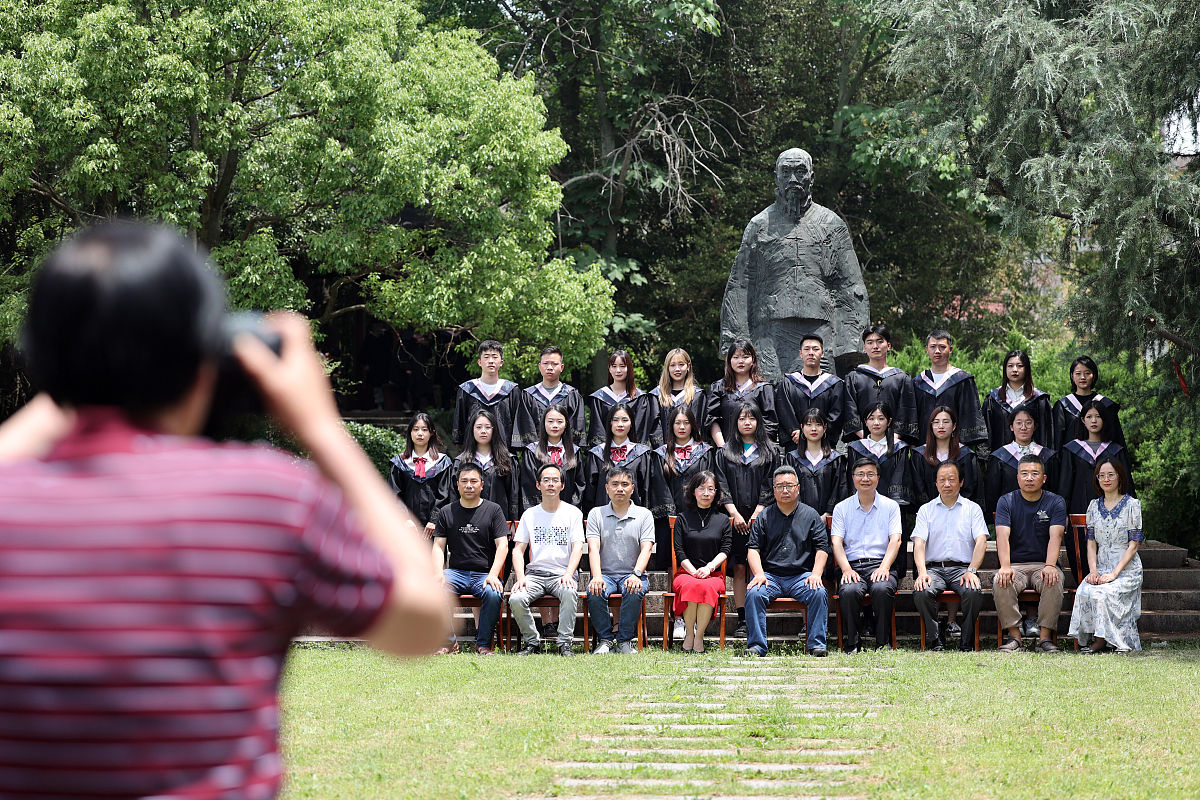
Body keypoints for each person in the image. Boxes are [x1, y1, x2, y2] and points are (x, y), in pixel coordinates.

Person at [0, 221, 447, 799]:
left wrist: (81, 382)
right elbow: (422, 623)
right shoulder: (265, 498)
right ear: (202, 362)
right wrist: (322, 429)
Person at [719, 147, 870, 380]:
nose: (793, 179)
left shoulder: (832, 224)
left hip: (821, 335)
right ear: (776, 177)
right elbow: (740, 286)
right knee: (769, 401)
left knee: (821, 404)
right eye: (786, 171)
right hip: (768, 334)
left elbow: (850, 287)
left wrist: (850, 346)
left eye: (800, 171)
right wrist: (736, 344)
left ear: (812, 176)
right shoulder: (759, 226)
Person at [744, 465, 831, 657]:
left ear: (798, 488)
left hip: (801, 577)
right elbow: (753, 549)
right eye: (780, 486)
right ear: (773, 489)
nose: (785, 490)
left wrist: (816, 574)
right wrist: (758, 574)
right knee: (754, 593)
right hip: (771, 577)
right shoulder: (764, 516)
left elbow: (822, 549)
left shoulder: (811, 515)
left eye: (789, 485)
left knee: (818, 591)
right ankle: (757, 646)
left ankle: (816, 644)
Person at [714, 401, 781, 637]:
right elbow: (721, 484)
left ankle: (758, 617)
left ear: (758, 422)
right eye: (742, 418)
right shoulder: (725, 453)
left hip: (763, 517)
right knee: (740, 566)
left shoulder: (770, 452)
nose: (747, 422)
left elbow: (770, 483)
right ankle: (743, 619)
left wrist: (757, 512)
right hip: (733, 519)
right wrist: (734, 513)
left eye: (751, 418)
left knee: (759, 566)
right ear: (735, 422)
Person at [509, 463, 586, 656]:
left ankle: (564, 643)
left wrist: (569, 573)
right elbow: (518, 550)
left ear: (562, 485)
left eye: (555, 480)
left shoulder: (573, 513)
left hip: (562, 574)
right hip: (534, 574)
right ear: (538, 485)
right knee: (516, 598)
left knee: (569, 593)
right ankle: (532, 642)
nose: (550, 484)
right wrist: (520, 577)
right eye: (546, 480)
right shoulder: (530, 514)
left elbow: (578, 547)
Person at [910, 461, 988, 651]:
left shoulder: (972, 509)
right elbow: (919, 543)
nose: (947, 484)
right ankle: (936, 638)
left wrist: (972, 570)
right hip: (934, 569)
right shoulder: (926, 510)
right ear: (936, 483)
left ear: (961, 482)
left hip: (963, 569)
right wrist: (922, 572)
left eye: (952, 479)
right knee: (922, 591)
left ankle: (966, 641)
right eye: (942, 480)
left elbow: (981, 541)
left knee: (973, 592)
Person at [433, 463, 510, 654]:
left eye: (474, 481)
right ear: (457, 485)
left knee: (493, 593)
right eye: (464, 481)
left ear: (482, 485)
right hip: (455, 572)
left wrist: (493, 574)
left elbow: (503, 545)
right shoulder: (446, 512)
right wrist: (438, 573)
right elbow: (438, 546)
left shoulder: (493, 510)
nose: (469, 485)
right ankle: (449, 643)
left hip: (483, 574)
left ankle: (483, 644)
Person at [1068, 458, 1144, 652]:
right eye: (1101, 475)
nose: (1106, 479)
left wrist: (1114, 574)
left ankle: (1111, 640)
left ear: (1119, 477)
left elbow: (1134, 545)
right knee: (1085, 591)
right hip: (1101, 566)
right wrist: (1093, 571)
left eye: (1111, 475)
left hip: (1126, 569)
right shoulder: (1094, 506)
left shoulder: (1132, 505)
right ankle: (1099, 638)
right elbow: (1091, 542)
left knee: (1105, 593)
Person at [994, 455, 1067, 653]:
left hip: (1043, 564)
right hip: (1015, 565)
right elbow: (1002, 536)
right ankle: (1015, 638)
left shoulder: (1055, 501)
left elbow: (1056, 536)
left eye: (1035, 474)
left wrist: (1051, 565)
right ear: (1017, 477)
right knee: (1001, 580)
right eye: (1024, 474)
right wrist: (1006, 566)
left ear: (1043, 478)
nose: (1029, 478)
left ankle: (1045, 639)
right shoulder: (1006, 501)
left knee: (1053, 579)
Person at [1058, 399, 1135, 580]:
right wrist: (1063, 512)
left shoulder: (1116, 450)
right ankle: (1084, 590)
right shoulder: (1072, 449)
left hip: (1112, 510)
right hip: (1079, 509)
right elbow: (1065, 483)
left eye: (1098, 416)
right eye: (1089, 417)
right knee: (1082, 556)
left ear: (1105, 420)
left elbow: (1126, 482)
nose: (1094, 421)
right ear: (1083, 420)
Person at [830, 459, 902, 652]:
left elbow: (895, 540)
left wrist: (884, 567)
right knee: (849, 591)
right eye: (860, 474)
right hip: (851, 564)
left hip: (880, 563)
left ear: (878, 478)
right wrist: (846, 569)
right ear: (853, 478)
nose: (865, 479)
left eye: (870, 474)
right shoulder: (841, 508)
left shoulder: (891, 506)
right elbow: (836, 542)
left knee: (882, 588)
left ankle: (882, 642)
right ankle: (853, 643)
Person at [586, 467, 656, 654]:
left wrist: (636, 574)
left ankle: (625, 640)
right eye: (615, 484)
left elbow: (647, 548)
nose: (620, 489)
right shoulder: (596, 514)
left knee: (635, 588)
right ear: (607, 488)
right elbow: (593, 548)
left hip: (633, 574)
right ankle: (606, 640)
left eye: (625, 484)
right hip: (606, 575)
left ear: (632, 488)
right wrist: (597, 576)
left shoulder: (644, 515)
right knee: (594, 590)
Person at [671, 471, 732, 653]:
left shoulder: (722, 520)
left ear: (716, 493)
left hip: (712, 573)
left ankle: (699, 638)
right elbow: (679, 551)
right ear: (693, 491)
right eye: (702, 488)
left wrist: (709, 567)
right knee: (691, 585)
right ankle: (689, 633)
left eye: (711, 489)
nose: (706, 493)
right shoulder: (682, 518)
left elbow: (726, 550)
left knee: (706, 587)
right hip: (686, 573)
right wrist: (692, 571)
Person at [654, 406, 717, 572]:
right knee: (671, 557)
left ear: (693, 426)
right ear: (671, 426)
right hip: (671, 516)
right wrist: (671, 513)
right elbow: (660, 485)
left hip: (697, 513)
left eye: (686, 423)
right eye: (677, 423)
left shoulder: (705, 452)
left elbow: (709, 482)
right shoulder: (661, 454)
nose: (682, 427)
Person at [582, 403, 672, 519]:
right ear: (610, 423)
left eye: (625, 420)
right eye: (615, 420)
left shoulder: (642, 454)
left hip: (635, 519)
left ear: (631, 424)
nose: (620, 424)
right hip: (603, 519)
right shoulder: (597, 454)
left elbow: (647, 490)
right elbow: (590, 493)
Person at [911, 330, 987, 450]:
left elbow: (970, 414)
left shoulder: (962, 380)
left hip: (955, 450)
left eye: (942, 347)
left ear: (950, 349)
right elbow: (913, 416)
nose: (937, 351)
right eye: (933, 347)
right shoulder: (918, 382)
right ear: (927, 349)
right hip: (924, 450)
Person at [843, 324, 919, 443]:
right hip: (863, 444)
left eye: (879, 342)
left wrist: (894, 438)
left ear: (888, 346)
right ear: (864, 347)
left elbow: (906, 409)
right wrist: (865, 437)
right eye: (870, 342)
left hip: (893, 445)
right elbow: (849, 408)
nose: (875, 346)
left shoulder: (901, 378)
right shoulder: (854, 377)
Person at [776, 333, 853, 447]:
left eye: (815, 349)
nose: (811, 352)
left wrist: (820, 433)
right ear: (801, 354)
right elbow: (784, 410)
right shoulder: (788, 383)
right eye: (806, 349)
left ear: (822, 353)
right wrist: (797, 431)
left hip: (824, 446)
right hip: (796, 446)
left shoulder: (834, 384)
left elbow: (837, 414)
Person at [983, 407, 1057, 518]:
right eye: (1018, 423)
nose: (1023, 427)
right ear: (1012, 427)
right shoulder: (1000, 457)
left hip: (1042, 516)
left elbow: (1053, 489)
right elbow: (992, 494)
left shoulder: (1046, 456)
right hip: (1010, 517)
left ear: (1034, 427)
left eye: (1028, 423)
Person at [388, 412, 454, 537]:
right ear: (410, 433)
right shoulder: (399, 463)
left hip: (435, 527)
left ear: (432, 433)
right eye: (416, 429)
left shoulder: (442, 463)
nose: (420, 433)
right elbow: (394, 495)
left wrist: (434, 520)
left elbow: (445, 495)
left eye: (424, 430)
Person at [982, 348, 1054, 457]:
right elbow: (986, 430)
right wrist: (986, 459)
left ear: (1027, 369)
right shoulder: (993, 399)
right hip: (1001, 461)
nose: (1015, 370)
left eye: (1020, 366)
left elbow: (1047, 432)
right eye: (1010, 366)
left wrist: (1046, 458)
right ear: (1005, 369)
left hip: (1033, 461)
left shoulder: (1038, 399)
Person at [707, 338, 778, 447]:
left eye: (745, 357)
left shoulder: (763, 389)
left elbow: (770, 423)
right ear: (729, 360)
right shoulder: (719, 388)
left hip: (757, 451)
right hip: (727, 450)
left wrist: (756, 449)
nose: (741, 361)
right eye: (736, 357)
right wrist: (722, 447)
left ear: (753, 360)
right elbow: (712, 419)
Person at [512, 345, 586, 447]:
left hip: (564, 455)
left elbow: (576, 428)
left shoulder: (572, 395)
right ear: (539, 366)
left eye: (554, 364)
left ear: (562, 367)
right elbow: (526, 427)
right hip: (536, 456)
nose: (549, 368)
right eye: (545, 363)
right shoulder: (528, 395)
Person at [586, 349, 663, 448]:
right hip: (605, 456)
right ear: (609, 369)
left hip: (632, 455)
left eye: (622, 366)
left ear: (629, 368)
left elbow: (640, 430)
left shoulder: (639, 398)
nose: (618, 370)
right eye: (614, 366)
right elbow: (597, 430)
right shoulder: (599, 397)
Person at [517, 404, 586, 513]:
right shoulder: (532, 451)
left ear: (566, 424)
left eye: (559, 421)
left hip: (567, 513)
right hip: (539, 513)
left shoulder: (574, 452)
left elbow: (579, 485)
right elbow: (528, 486)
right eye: (550, 421)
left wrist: (571, 510)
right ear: (543, 423)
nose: (555, 425)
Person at [452, 339, 521, 447]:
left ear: (501, 362)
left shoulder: (511, 390)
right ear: (479, 362)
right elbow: (461, 422)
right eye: (486, 357)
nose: (491, 361)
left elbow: (517, 422)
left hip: (504, 452)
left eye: (494, 356)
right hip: (474, 451)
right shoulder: (467, 389)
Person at [1051, 355, 1127, 451]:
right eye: (1078, 373)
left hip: (1103, 461)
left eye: (1087, 373)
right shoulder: (1063, 406)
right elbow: (1057, 441)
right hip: (1072, 462)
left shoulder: (1105, 404)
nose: (1083, 377)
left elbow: (1116, 439)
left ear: (1094, 375)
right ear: (1072, 376)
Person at [455, 409, 519, 521]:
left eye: (488, 427)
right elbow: (454, 495)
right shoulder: (461, 462)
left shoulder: (507, 460)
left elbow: (513, 494)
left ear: (494, 430)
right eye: (478, 427)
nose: (483, 431)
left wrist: (513, 521)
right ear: (472, 430)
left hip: (500, 523)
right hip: (467, 523)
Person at [785, 408, 849, 515]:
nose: (813, 429)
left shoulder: (835, 459)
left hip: (829, 521)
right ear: (802, 427)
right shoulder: (792, 458)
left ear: (824, 428)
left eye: (818, 425)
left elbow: (839, 489)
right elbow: (788, 488)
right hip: (797, 519)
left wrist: (828, 514)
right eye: (809, 425)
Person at [912, 406, 981, 504]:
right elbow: (918, 488)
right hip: (929, 514)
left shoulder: (966, 455)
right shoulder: (919, 455)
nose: (941, 426)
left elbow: (970, 488)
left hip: (959, 513)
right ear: (931, 426)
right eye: (936, 422)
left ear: (954, 426)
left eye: (946, 422)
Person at [651, 347, 708, 442]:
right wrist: (664, 451)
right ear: (667, 368)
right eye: (672, 365)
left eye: (681, 364)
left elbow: (699, 428)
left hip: (691, 453)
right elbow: (655, 430)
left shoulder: (697, 395)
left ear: (688, 366)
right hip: (664, 453)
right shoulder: (656, 395)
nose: (677, 369)